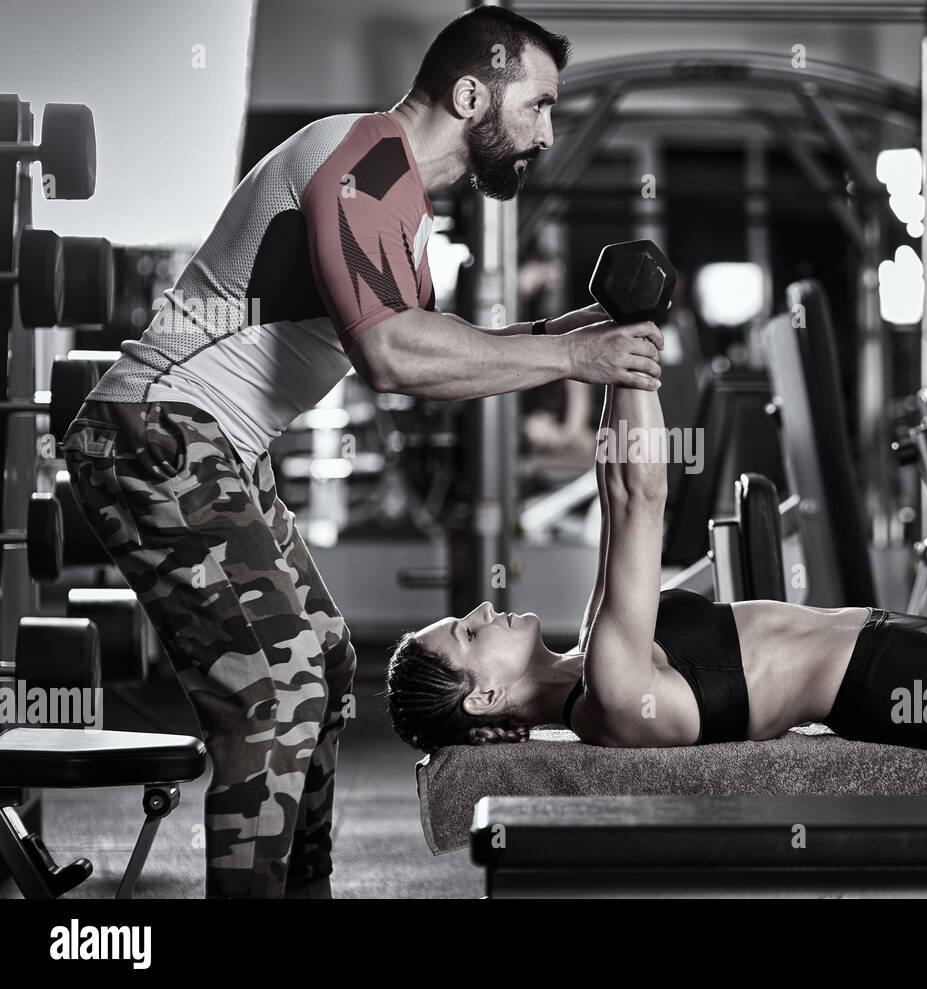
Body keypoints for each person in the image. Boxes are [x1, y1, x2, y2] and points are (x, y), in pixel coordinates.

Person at [60, 6, 661, 899]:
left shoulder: (401, 201)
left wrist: (571, 330)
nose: (546, 131)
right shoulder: (362, 162)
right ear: (470, 95)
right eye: (536, 106)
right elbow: (393, 356)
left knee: (328, 657)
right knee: (276, 682)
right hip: (158, 430)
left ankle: (308, 891)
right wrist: (571, 356)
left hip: (216, 443)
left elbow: (436, 348)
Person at [386, 378, 927, 797]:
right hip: (896, 682)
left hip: (902, 643)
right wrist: (626, 354)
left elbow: (629, 513)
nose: (482, 611)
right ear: (488, 695)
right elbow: (635, 493)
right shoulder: (610, 688)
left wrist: (608, 353)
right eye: (465, 633)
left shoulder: (596, 650)